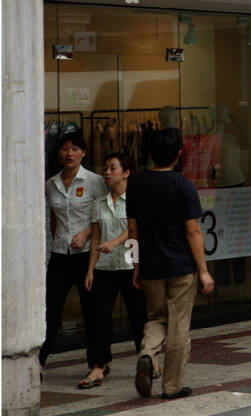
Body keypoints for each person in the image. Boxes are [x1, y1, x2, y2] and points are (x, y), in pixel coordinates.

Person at [127, 127, 214, 401]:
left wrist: (137, 266)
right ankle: (171, 386)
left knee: (155, 318)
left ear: (151, 153)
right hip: (181, 267)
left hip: (151, 266)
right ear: (179, 154)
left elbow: (133, 230)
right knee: (178, 325)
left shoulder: (136, 185)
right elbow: (193, 231)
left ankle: (147, 353)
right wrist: (203, 270)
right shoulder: (184, 186)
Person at [41, 129, 107, 381]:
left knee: (92, 310)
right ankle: (38, 363)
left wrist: (87, 232)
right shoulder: (52, 183)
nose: (69, 154)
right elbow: (54, 218)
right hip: (60, 253)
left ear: (84, 152)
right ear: (58, 152)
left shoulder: (94, 181)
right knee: (51, 310)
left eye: (75, 149)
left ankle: (98, 364)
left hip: (87, 255)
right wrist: (54, 245)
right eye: (64, 149)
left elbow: (103, 216)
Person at [81, 153, 148, 389]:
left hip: (131, 265)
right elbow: (96, 236)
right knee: (99, 319)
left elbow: (134, 230)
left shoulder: (137, 199)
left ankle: (148, 360)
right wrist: (90, 269)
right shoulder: (99, 203)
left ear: (126, 172)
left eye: (113, 168)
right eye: (105, 168)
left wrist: (115, 243)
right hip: (105, 268)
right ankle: (98, 366)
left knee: (138, 316)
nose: (107, 173)